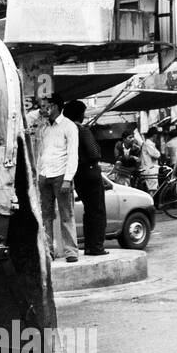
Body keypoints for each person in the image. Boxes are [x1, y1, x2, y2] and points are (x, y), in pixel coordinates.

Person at [37, 94, 79, 262]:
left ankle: (71, 252)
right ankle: (48, 252)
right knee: (46, 216)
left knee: (66, 215)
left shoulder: (68, 126)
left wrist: (68, 178)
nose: (42, 108)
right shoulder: (43, 127)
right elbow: (40, 152)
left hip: (61, 175)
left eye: (45, 105)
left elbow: (73, 154)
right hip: (44, 175)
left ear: (54, 106)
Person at [64, 100, 106, 257]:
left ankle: (90, 246)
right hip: (90, 172)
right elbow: (95, 153)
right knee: (97, 210)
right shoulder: (82, 130)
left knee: (89, 210)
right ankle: (96, 247)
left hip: (77, 174)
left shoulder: (66, 130)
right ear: (79, 114)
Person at [139, 127, 163, 194]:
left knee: (153, 189)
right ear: (155, 135)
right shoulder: (148, 144)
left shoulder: (149, 143)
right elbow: (157, 155)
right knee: (152, 190)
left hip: (151, 169)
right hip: (150, 170)